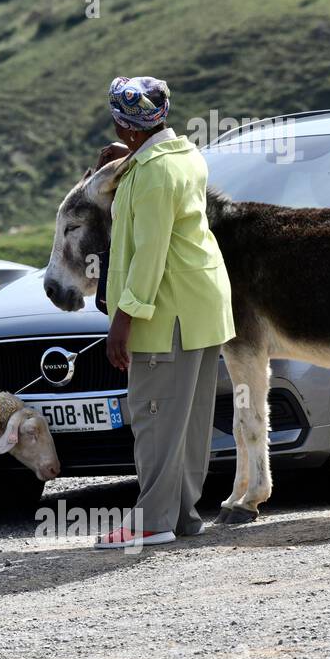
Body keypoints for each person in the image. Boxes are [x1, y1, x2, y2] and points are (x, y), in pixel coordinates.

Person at [97, 76, 234, 549]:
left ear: (127, 125)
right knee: (190, 419)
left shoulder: (153, 173)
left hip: (167, 311)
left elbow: (150, 253)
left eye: (116, 117)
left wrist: (123, 318)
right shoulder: (185, 155)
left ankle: (152, 522)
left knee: (154, 416)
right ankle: (183, 514)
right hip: (202, 303)